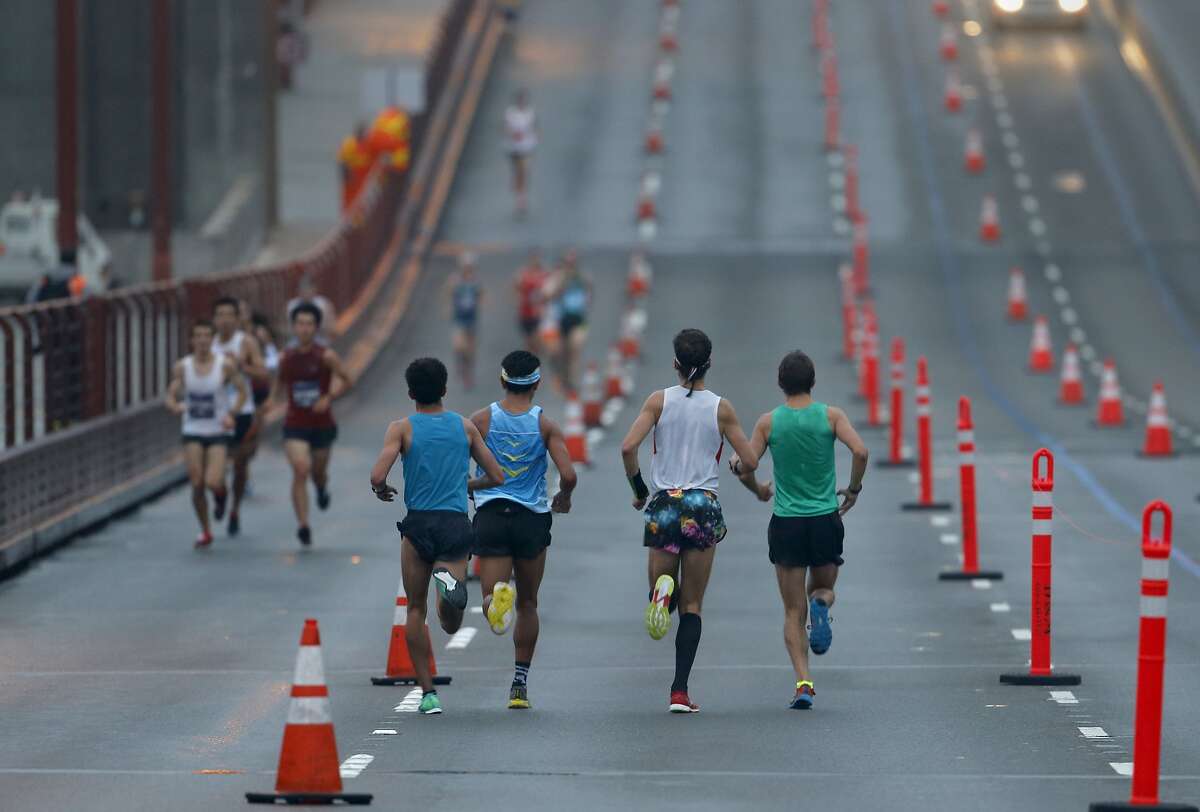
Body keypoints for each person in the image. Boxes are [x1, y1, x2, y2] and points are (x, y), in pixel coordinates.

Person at [619, 328, 759, 713]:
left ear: (675, 364)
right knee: (693, 605)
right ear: (709, 364)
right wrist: (735, 463)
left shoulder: (658, 401)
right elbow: (750, 460)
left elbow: (628, 446)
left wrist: (638, 489)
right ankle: (679, 692)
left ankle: (662, 591)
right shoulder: (721, 408)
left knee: (662, 597)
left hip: (665, 503)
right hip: (703, 505)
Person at [731, 351, 869, 710]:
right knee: (822, 588)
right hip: (825, 518)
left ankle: (803, 682)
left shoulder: (768, 423)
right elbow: (861, 451)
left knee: (793, 610)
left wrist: (757, 488)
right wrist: (852, 490)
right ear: (813, 381)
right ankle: (822, 605)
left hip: (787, 522)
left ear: (781, 384)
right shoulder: (831, 416)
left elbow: (745, 465)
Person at [369, 357, 506, 715]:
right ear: (445, 390)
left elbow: (377, 474)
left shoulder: (401, 429)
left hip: (417, 526)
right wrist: (468, 484)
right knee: (451, 619)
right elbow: (496, 475)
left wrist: (382, 489)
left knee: (415, 608)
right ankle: (448, 586)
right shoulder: (464, 428)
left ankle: (427, 694)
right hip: (454, 524)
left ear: (411, 392)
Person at [469, 350, 577, 709]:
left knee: (490, 597)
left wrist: (468, 486)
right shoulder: (545, 425)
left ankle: (495, 600)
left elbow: (456, 460)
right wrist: (563, 496)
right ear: (536, 384)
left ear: (502, 381)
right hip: (531, 517)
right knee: (530, 603)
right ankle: (519, 683)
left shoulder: (481, 420)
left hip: (492, 515)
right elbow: (569, 474)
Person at [274, 302, 355, 546]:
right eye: (300, 324)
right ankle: (303, 525)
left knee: (317, 472)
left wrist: (328, 397)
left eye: (309, 324)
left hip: (321, 423)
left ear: (316, 327)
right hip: (295, 423)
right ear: (293, 327)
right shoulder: (286, 358)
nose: (304, 329)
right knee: (300, 469)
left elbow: (348, 380)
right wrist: (268, 404)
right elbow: (278, 386)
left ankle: (321, 487)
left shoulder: (326, 356)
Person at [164, 321, 247, 549]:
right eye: (197, 336)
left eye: (206, 336)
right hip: (192, 428)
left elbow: (242, 391)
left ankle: (221, 495)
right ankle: (205, 530)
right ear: (191, 341)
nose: (202, 341)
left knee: (212, 481)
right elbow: (171, 393)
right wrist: (174, 405)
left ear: (212, 339)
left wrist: (232, 413)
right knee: (197, 482)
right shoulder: (183, 366)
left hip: (218, 429)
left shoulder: (225, 366)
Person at [212, 296, 268, 536]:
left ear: (237, 319)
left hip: (241, 412)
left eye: (229, 315)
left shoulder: (246, 342)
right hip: (214, 416)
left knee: (240, 465)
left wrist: (242, 366)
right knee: (216, 467)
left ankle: (234, 508)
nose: (224, 320)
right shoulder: (207, 342)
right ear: (215, 319)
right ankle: (219, 493)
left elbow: (263, 372)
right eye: (220, 315)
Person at [546, 249, 590, 391]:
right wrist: (562, 283)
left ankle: (572, 381)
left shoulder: (582, 278)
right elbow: (548, 295)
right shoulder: (557, 278)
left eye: (572, 264)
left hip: (578, 319)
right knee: (562, 353)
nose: (570, 267)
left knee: (575, 349)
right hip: (562, 320)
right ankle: (564, 378)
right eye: (568, 264)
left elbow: (589, 293)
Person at [444, 252, 484, 390]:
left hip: (471, 318)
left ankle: (468, 375)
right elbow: (449, 294)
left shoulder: (475, 280)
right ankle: (459, 365)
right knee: (459, 346)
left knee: (470, 350)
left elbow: (480, 295)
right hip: (459, 318)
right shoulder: (455, 280)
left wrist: (480, 303)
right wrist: (449, 307)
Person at [503, 89, 538, 215]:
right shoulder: (510, 114)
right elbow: (506, 129)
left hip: (526, 148)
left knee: (523, 173)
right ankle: (519, 198)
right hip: (514, 148)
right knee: (518, 173)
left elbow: (534, 129)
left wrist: (533, 141)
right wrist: (513, 134)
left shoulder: (530, 113)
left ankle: (521, 201)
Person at [513, 250, 548, 353]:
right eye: (533, 259)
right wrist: (519, 299)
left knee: (536, 341)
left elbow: (548, 293)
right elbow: (515, 289)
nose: (535, 261)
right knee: (528, 343)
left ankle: (535, 365)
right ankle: (529, 366)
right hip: (525, 313)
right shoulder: (523, 274)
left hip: (538, 314)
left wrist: (544, 305)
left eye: (537, 259)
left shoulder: (544, 274)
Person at [286, 275, 336, 344]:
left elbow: (331, 328)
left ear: (314, 289)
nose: (306, 293)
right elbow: (288, 329)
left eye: (308, 289)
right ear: (298, 291)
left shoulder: (323, 305)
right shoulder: (292, 305)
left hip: (320, 339)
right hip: (298, 341)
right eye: (303, 290)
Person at [338, 122, 373, 212]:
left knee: (363, 201)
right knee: (350, 201)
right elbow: (343, 163)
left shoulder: (368, 144)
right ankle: (348, 218)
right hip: (353, 176)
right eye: (362, 132)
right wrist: (348, 177)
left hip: (364, 177)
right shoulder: (349, 144)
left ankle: (359, 218)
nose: (364, 134)